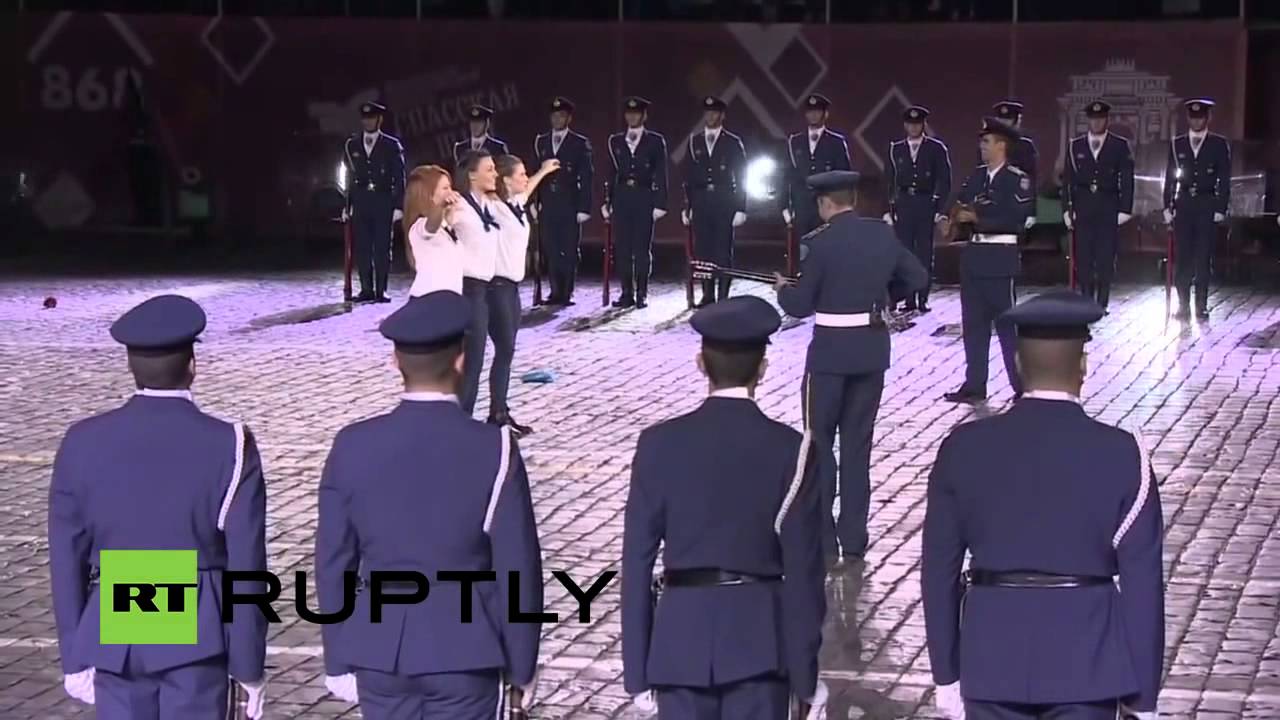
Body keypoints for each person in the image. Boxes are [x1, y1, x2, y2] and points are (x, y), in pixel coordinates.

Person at [922, 290, 1164, 720]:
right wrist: (1143, 698)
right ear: (1083, 367)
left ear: (1016, 365)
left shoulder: (962, 448)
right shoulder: (1123, 453)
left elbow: (938, 568)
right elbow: (1143, 585)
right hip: (1087, 662)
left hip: (990, 658)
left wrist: (946, 673)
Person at [316, 291, 543, 720]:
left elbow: (333, 561)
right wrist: (522, 663)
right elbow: (518, 570)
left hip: (379, 647)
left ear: (394, 362)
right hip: (465, 647)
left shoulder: (352, 445)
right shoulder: (493, 448)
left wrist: (338, 654)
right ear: (461, 360)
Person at [49, 294, 268, 719]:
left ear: (131, 366)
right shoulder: (230, 443)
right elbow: (248, 567)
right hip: (196, 633)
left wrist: (75, 655)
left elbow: (65, 556)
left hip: (119, 624)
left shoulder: (82, 440)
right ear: (192, 365)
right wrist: (248, 666)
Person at [622, 295, 828, 720]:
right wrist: (806, 678)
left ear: (701, 364)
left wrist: (637, 673)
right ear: (763, 370)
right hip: (758, 646)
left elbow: (636, 564)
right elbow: (805, 571)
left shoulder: (658, 444)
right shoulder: (792, 449)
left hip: (680, 644)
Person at [775, 170, 929, 563]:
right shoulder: (881, 235)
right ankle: (855, 538)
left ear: (825, 203)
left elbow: (800, 305)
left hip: (829, 355)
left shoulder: (818, 244)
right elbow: (917, 276)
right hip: (871, 351)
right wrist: (880, 299)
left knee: (819, 446)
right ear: (853, 200)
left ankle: (825, 539)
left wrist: (782, 291)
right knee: (858, 448)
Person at [942, 119, 1034, 404]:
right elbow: (960, 204)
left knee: (1007, 326)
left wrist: (979, 218)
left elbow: (1016, 220)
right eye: (981, 141)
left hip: (999, 259)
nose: (982, 146)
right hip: (974, 258)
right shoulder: (976, 177)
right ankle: (975, 384)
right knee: (974, 326)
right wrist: (951, 221)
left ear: (1001, 145)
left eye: (987, 141)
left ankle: (1021, 386)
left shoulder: (1017, 179)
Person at [489, 153, 561, 435]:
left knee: (507, 352)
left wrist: (543, 172)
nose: (524, 177)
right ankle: (496, 412)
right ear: (506, 180)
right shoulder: (494, 207)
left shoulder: (514, 204)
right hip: (497, 287)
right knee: (503, 350)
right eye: (520, 174)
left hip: (512, 288)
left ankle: (500, 410)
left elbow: (527, 189)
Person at [1063, 100, 1135, 313]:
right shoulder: (1075, 146)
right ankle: (1086, 300)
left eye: (1101, 119)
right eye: (1093, 119)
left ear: (1107, 120)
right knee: (1083, 256)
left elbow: (1127, 179)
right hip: (1083, 206)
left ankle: (1102, 301)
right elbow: (1068, 180)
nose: (1096, 123)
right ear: (1088, 120)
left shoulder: (1119, 145)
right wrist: (1066, 209)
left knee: (1105, 256)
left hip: (1107, 206)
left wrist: (1125, 209)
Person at [1163, 98, 1230, 321]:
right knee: (1182, 258)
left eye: (1201, 116)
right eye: (1193, 117)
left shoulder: (1219, 144)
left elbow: (1224, 179)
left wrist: (1220, 207)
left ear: (1208, 117)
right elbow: (1170, 177)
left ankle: (1201, 305)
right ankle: (1183, 306)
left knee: (1203, 258)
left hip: (1206, 204)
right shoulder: (1177, 144)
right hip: (1184, 205)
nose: (1196, 120)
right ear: (1188, 118)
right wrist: (1167, 205)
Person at [884, 105, 952, 313]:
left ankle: (921, 299)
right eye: (910, 124)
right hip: (904, 203)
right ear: (905, 125)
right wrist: (888, 207)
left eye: (917, 124)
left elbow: (945, 179)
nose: (913, 127)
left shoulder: (936, 148)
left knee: (923, 253)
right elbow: (888, 180)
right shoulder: (896, 149)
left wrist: (940, 208)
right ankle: (906, 298)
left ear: (923, 125)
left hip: (925, 203)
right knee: (903, 253)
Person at [602, 96, 669, 309]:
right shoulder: (615, 141)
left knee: (641, 248)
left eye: (636, 113)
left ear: (644, 115)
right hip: (622, 197)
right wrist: (608, 201)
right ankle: (626, 292)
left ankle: (642, 292)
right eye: (629, 113)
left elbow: (661, 173)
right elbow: (611, 172)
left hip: (644, 196)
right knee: (622, 248)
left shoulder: (655, 141)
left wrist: (660, 203)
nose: (632, 116)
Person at [682, 95, 747, 306]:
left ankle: (723, 296)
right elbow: (688, 176)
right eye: (707, 113)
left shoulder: (733, 142)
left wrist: (741, 207)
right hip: (701, 201)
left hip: (724, 201)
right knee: (703, 250)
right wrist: (688, 206)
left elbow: (742, 175)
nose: (710, 116)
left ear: (722, 115)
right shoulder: (695, 141)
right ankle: (707, 295)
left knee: (722, 250)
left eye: (714, 112)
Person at [452, 149, 503, 416]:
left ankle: (465, 416)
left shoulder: (486, 204)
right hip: (468, 288)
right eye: (490, 169)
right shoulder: (459, 205)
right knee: (471, 361)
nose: (495, 173)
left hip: (487, 288)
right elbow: (435, 226)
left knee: (477, 359)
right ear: (472, 175)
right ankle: (459, 420)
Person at [532, 96, 594, 305]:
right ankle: (555, 290)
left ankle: (566, 291)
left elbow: (587, 176)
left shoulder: (579, 143)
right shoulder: (541, 141)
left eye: (561, 115)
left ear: (568, 118)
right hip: (548, 202)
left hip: (569, 202)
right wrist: (534, 201)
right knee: (550, 246)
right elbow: (535, 173)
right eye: (554, 115)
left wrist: (584, 207)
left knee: (568, 248)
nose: (557, 119)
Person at [343, 101, 407, 303]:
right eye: (365, 118)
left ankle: (381, 289)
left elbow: (399, 176)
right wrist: (347, 205)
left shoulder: (391, 145)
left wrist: (398, 205)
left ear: (379, 120)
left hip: (383, 200)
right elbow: (348, 178)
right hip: (361, 201)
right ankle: (366, 289)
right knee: (362, 247)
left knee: (381, 247)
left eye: (372, 118)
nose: (368, 122)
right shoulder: (351, 144)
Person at [784, 93, 853, 239]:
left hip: (828, 205)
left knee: (826, 247)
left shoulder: (837, 142)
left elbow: (844, 176)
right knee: (802, 251)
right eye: (810, 111)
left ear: (825, 114)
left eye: (817, 111)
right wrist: (785, 205)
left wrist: (841, 206)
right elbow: (787, 175)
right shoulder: (794, 141)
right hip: (801, 206)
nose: (813, 115)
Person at [403, 164, 465, 297]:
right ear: (428, 195)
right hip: (428, 300)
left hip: (447, 301)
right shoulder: (419, 227)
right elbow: (431, 227)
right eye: (445, 188)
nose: (450, 192)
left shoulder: (446, 228)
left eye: (450, 187)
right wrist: (442, 206)